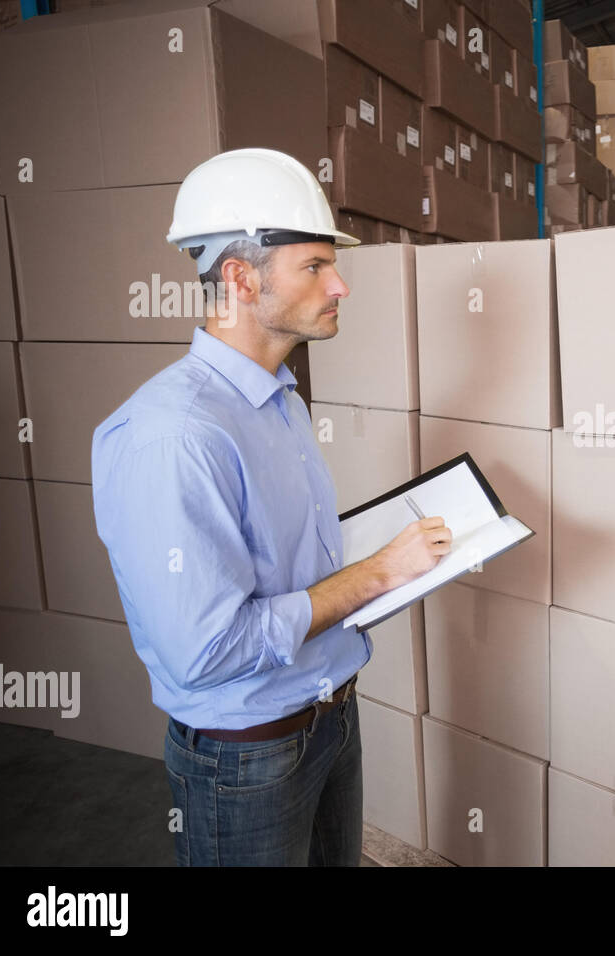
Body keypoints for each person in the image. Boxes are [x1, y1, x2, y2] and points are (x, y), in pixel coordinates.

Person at [91, 148, 452, 866]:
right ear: (238, 277)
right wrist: (379, 573)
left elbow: (286, 569)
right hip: (248, 762)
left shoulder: (276, 399)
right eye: (315, 267)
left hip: (329, 720)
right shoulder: (175, 436)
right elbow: (207, 649)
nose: (341, 284)